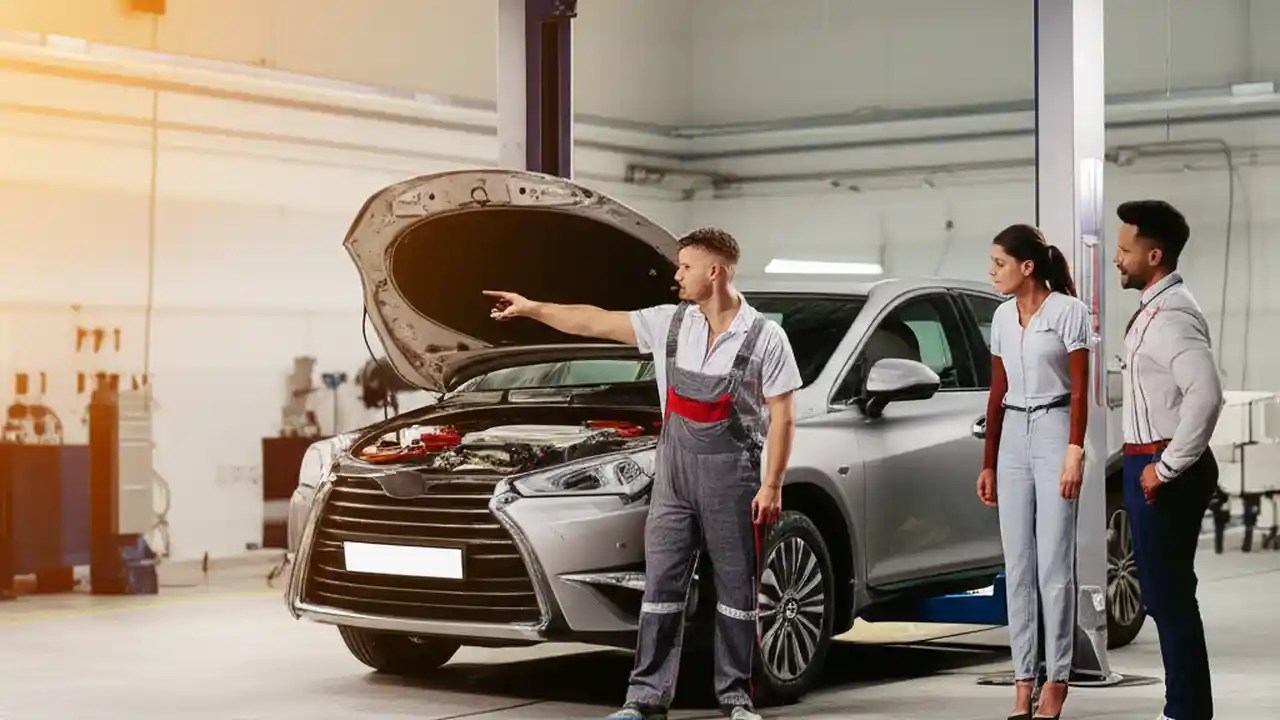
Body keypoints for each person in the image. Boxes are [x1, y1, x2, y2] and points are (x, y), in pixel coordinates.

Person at [483, 227, 802, 720]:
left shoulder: (766, 337)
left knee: (737, 590)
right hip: (672, 476)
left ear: (715, 272)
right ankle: (646, 697)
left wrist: (772, 483)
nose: (678, 275)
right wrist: (533, 308)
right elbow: (594, 320)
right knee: (661, 589)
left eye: (686, 266)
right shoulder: (668, 323)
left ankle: (736, 697)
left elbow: (783, 415)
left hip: (733, 478)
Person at [1113, 200, 1223, 720]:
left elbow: (1206, 395)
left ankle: (1186, 711)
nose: (1117, 258)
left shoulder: (1172, 317)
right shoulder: (1154, 309)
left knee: (1169, 596)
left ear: (1153, 256)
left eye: (1124, 249)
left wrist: (1166, 467)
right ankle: (1185, 708)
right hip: (1147, 461)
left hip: (1162, 466)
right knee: (1163, 595)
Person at [977, 224, 1091, 720]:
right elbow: (996, 393)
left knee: (1053, 566)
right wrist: (988, 462)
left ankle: (1057, 680)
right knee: (1018, 566)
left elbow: (1081, 390)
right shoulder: (1002, 317)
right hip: (1013, 438)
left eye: (999, 263)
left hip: (1055, 427)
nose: (992, 271)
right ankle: (1023, 681)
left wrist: (1074, 450)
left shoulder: (1069, 312)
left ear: (1027, 267)